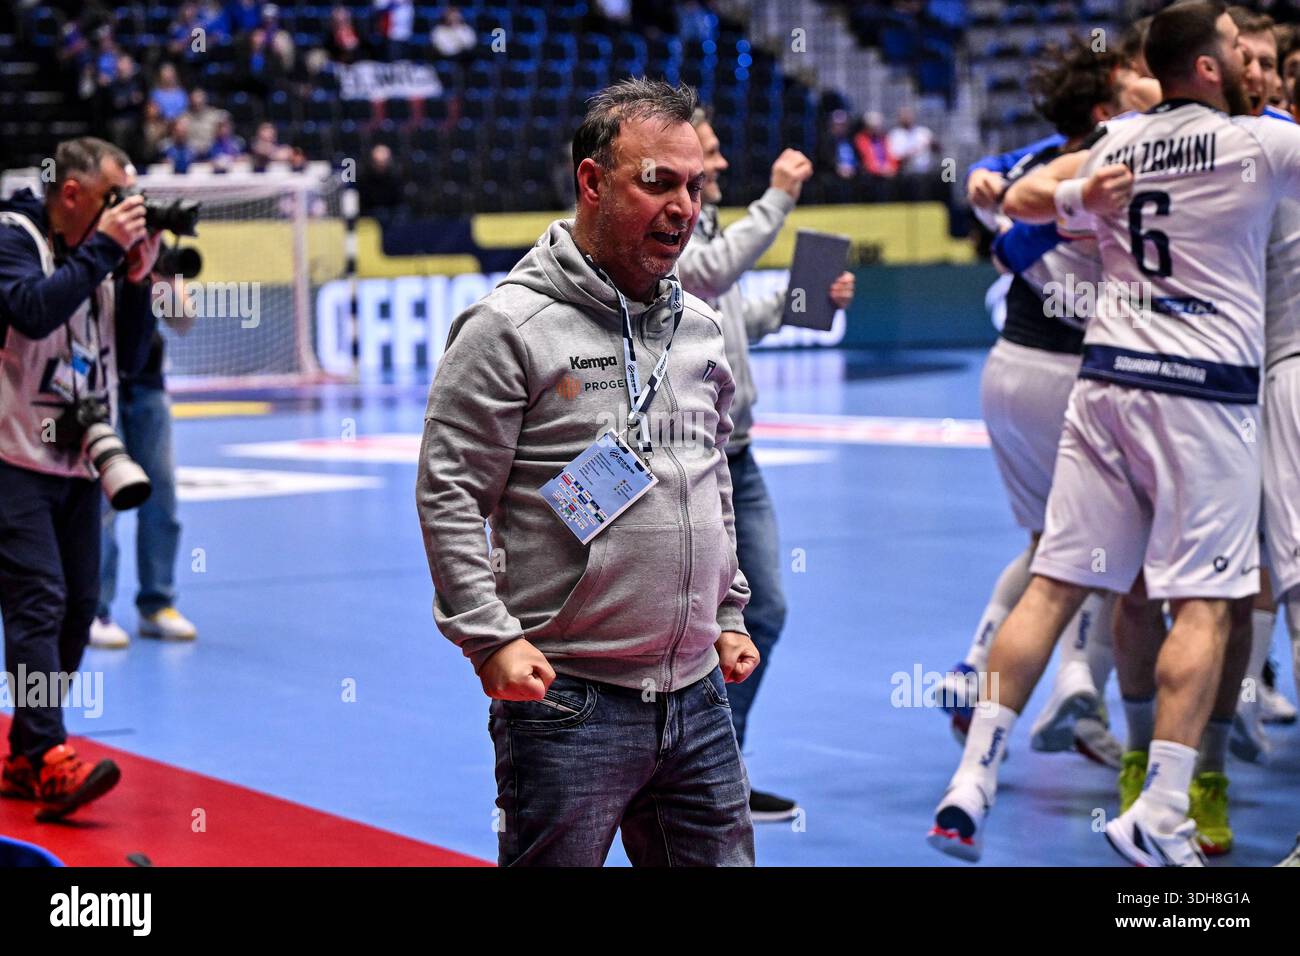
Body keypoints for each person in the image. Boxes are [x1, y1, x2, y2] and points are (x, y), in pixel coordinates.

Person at [931, 1, 1300, 866]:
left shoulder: (1119, 142)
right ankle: (1162, 809)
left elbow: (1013, 194)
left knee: (1055, 585)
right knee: (1208, 603)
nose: (1254, 65)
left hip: (1104, 384)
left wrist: (1072, 195)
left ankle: (971, 783)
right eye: (1239, 53)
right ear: (1208, 68)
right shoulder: (1260, 142)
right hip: (1201, 395)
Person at [416, 78, 758, 867]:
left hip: (699, 695)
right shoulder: (509, 327)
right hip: (568, 701)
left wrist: (731, 612)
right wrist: (487, 636)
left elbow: (714, 480)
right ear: (593, 182)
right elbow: (452, 490)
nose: (683, 207)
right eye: (657, 182)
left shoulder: (702, 331)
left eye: (694, 185)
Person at [677, 109, 853, 823]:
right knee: (696, 625)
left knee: (765, 610)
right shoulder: (670, 234)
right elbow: (711, 274)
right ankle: (695, 773)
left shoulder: (709, 225)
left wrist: (802, 300)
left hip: (738, 460)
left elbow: (733, 312)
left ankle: (725, 763)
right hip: (694, 463)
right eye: (710, 155)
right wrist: (779, 198)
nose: (720, 166)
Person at [0, 137, 162, 820]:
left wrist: (134, 282)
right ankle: (45, 753)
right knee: (39, 602)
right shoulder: (12, 236)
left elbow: (131, 356)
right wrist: (103, 249)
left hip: (80, 459)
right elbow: (32, 310)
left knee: (77, 609)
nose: (124, 209)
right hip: (12, 458)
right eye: (112, 197)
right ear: (73, 194)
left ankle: (26, 751)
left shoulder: (97, 252)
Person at [90, 326, 196, 648]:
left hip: (149, 381)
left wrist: (161, 281)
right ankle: (95, 610)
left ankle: (158, 603)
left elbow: (183, 320)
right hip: (97, 380)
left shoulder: (155, 274)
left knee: (161, 495)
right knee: (103, 501)